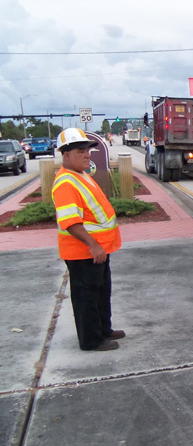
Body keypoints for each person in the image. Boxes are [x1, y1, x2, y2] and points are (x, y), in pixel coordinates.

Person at [52, 127, 125, 351]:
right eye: (81, 151)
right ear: (66, 155)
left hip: (97, 250)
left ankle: (103, 330)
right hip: (84, 252)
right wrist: (93, 245)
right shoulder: (66, 183)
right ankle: (91, 340)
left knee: (101, 292)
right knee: (87, 297)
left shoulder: (79, 175)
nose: (87, 155)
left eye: (87, 151)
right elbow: (70, 222)